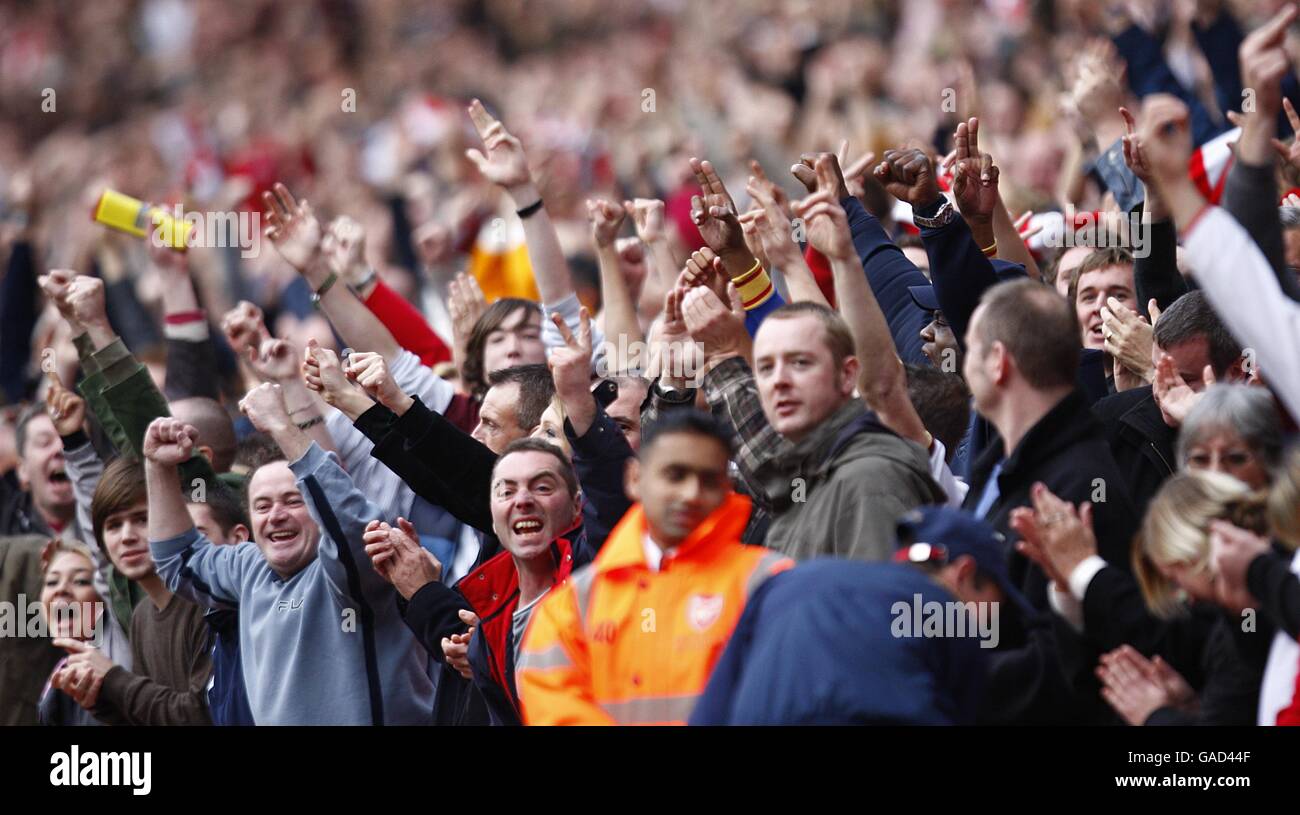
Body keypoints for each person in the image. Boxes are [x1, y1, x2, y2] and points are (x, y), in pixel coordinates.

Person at [144, 385, 435, 725]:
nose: (276, 515)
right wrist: (157, 468)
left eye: (293, 501)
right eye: (262, 506)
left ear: (317, 507)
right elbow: (178, 560)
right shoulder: (248, 568)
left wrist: (282, 426)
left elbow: (352, 527)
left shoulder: (351, 571)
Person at [516, 411, 791, 725]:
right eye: (675, 475)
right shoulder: (575, 603)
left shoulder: (768, 583)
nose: (691, 494)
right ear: (635, 478)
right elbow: (553, 709)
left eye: (709, 480)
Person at [689, 507, 1024, 725]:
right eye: (995, 605)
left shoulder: (787, 583)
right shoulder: (949, 613)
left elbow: (712, 709)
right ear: (964, 573)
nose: (991, 624)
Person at [364, 437, 595, 725]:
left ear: (577, 505)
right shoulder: (486, 598)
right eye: (506, 491)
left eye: (543, 488)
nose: (522, 500)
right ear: (492, 514)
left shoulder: (593, 588)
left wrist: (426, 593)